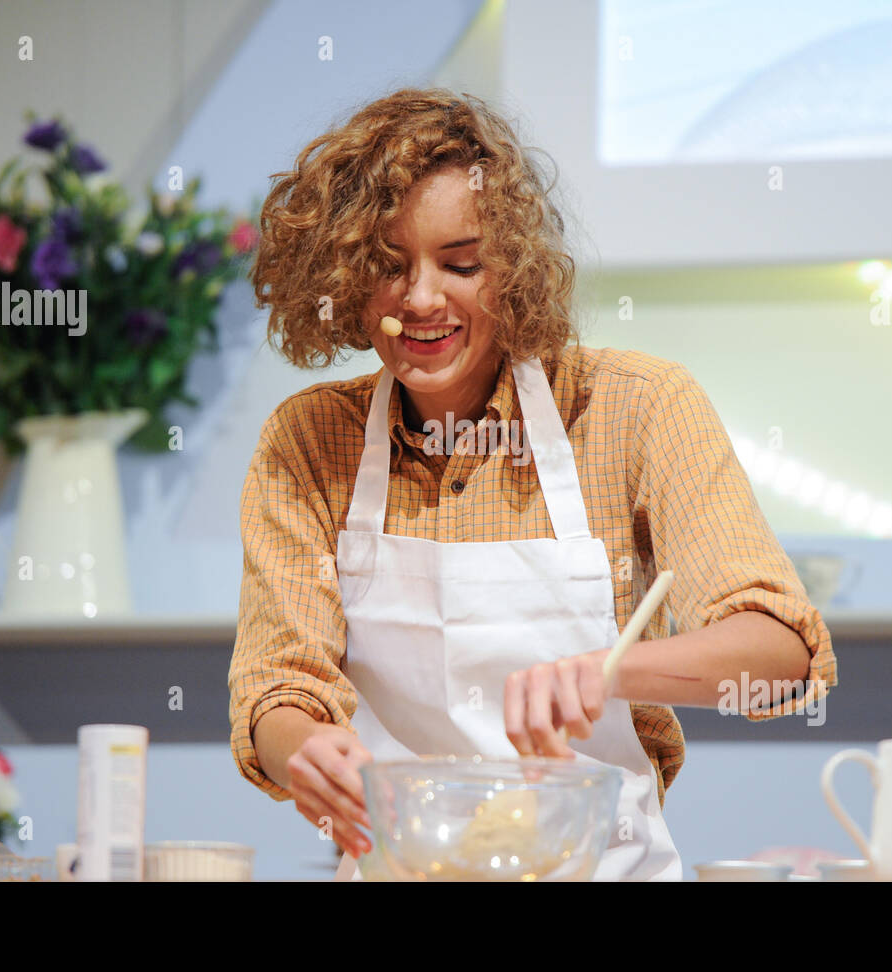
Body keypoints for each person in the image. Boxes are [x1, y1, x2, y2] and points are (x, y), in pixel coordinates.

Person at [229, 88, 837, 881]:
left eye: (461, 263)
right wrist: (304, 750)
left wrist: (608, 673)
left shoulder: (635, 408)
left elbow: (784, 657)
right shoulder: (309, 442)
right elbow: (278, 686)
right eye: (388, 265)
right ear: (344, 276)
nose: (420, 299)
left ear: (514, 265)